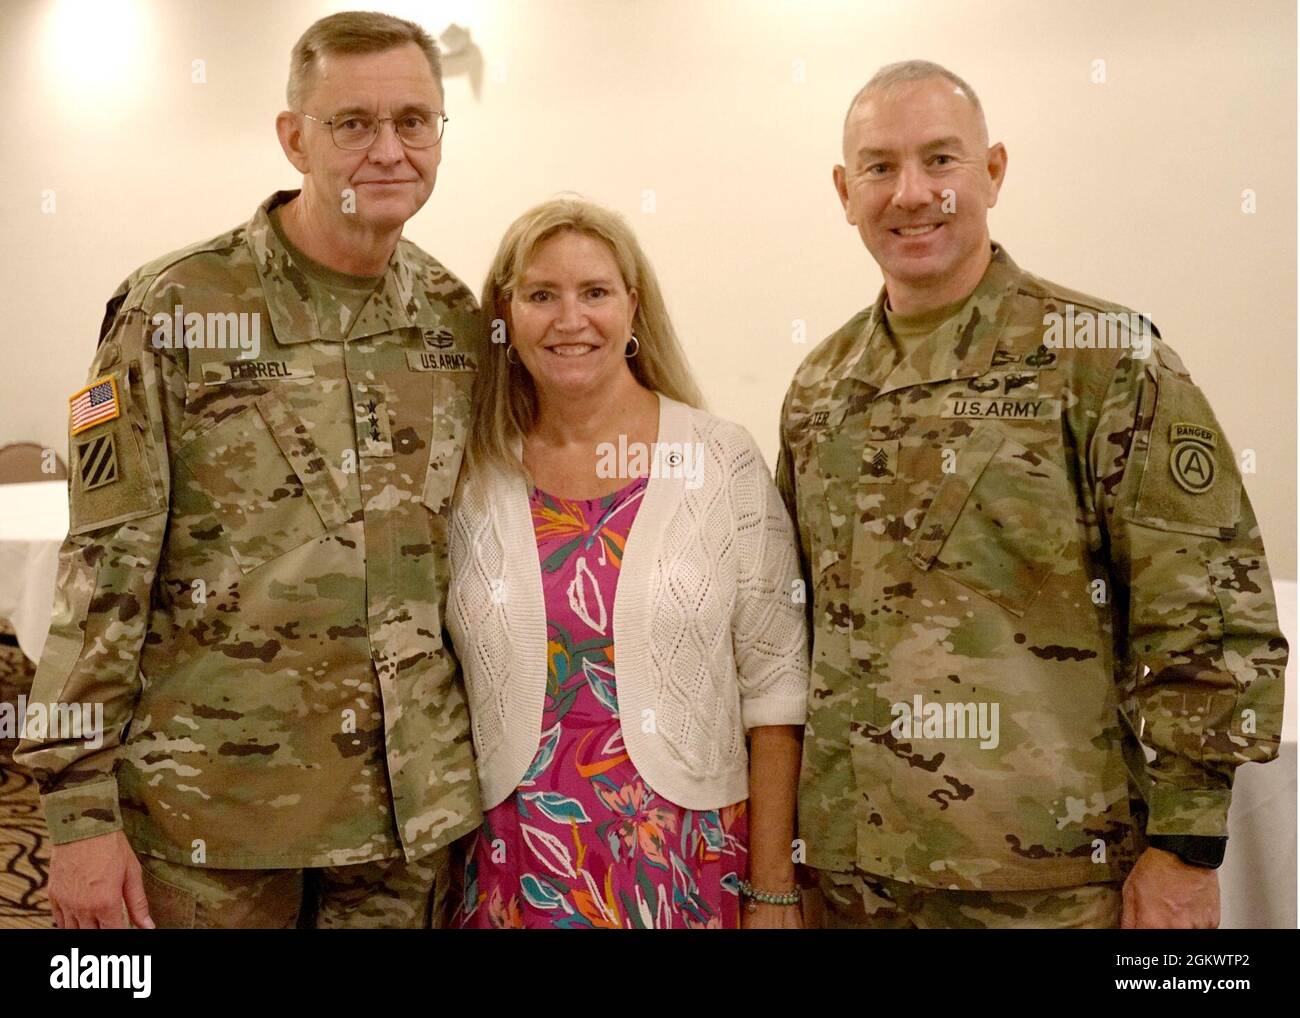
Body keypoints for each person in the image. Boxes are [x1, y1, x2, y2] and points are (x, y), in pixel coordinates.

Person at [776, 60, 1286, 929]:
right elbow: (800, 621)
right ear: (843, 189)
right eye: (879, 166)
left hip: (1046, 886)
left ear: (994, 171)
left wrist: (1186, 853)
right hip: (855, 879)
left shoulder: (1106, 360)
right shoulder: (823, 385)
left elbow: (1208, 616)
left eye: (941, 160)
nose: (911, 193)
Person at [14, 11, 482, 929]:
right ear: (293, 136)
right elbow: (97, 574)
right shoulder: (169, 308)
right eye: (353, 123)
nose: (389, 149)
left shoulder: (453, 319)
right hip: (211, 820)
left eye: (415, 121)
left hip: (403, 821)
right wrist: (75, 819)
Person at [446, 197, 808, 928]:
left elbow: (776, 686)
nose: (569, 319)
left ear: (633, 307)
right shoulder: (471, 474)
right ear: (506, 314)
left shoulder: (715, 459)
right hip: (511, 860)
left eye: (596, 292)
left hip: (679, 858)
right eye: (541, 295)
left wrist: (774, 891)